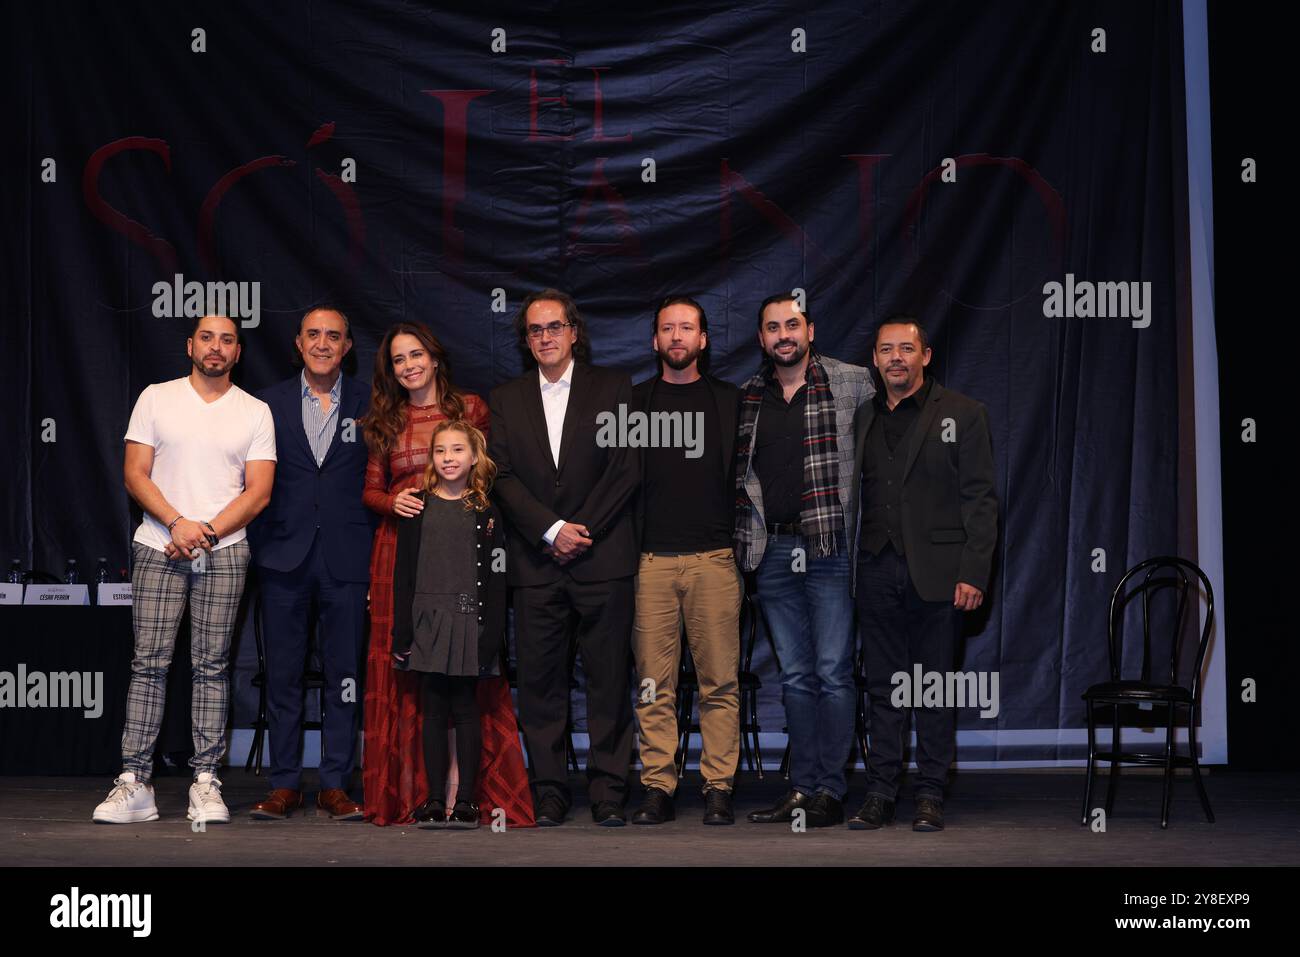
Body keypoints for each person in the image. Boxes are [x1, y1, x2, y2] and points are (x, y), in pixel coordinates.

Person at [94, 314, 275, 824]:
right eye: (207, 338)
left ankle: (206, 781)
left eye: (227, 340)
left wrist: (204, 534)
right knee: (148, 664)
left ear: (238, 352)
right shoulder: (156, 396)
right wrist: (176, 524)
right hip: (158, 544)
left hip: (224, 549)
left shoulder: (255, 411)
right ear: (190, 345)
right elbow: (135, 472)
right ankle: (134, 782)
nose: (216, 348)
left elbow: (258, 491)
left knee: (212, 666)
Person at [360, 322, 532, 827]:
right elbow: (370, 491)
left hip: (462, 552)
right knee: (415, 674)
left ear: (435, 358)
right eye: (397, 359)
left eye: (416, 354)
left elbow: (491, 478)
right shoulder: (384, 422)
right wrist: (394, 501)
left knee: (466, 685)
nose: (409, 365)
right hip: (402, 552)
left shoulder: (470, 409)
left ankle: (467, 791)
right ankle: (416, 793)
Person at [488, 289, 641, 826]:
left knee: (608, 679)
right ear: (526, 341)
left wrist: (582, 531)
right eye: (535, 330)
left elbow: (626, 469)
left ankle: (608, 791)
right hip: (535, 563)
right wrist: (551, 531)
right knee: (539, 684)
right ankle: (549, 790)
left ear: (575, 332)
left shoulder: (615, 387)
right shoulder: (505, 399)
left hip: (603, 559)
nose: (546, 336)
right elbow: (500, 476)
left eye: (555, 326)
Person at [847, 318, 997, 832]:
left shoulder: (964, 413)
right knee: (884, 689)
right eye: (886, 349)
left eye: (906, 349)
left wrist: (974, 572)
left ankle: (930, 792)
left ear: (925, 356)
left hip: (940, 574)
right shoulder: (863, 416)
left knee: (932, 687)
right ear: (874, 358)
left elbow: (981, 500)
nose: (896, 358)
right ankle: (881, 791)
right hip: (874, 569)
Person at [737, 295, 874, 829]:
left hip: (830, 549)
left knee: (834, 673)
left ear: (810, 330)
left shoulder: (852, 382)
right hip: (771, 550)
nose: (783, 334)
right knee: (795, 676)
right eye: (772, 327)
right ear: (762, 339)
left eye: (791, 325)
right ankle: (802, 787)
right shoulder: (748, 396)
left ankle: (831, 791)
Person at [245, 307, 373, 821]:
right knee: (283, 676)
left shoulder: (371, 401)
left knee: (346, 676)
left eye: (334, 336)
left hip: (348, 557)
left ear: (347, 347)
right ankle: (284, 784)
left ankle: (336, 783)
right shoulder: (265, 404)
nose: (323, 343)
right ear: (298, 342)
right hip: (283, 556)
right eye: (314, 334)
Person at [629, 296, 743, 826]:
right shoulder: (633, 405)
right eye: (667, 328)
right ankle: (658, 786)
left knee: (719, 682)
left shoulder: (732, 401)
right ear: (655, 341)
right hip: (652, 563)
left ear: (703, 340)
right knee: (654, 684)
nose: (677, 336)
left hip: (714, 561)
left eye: (687, 328)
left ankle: (718, 786)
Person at [391, 420, 507, 830]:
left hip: (468, 621)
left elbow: (497, 577)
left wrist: (490, 634)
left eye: (457, 451)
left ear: (474, 457)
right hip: (426, 620)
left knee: (466, 708)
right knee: (433, 710)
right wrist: (402, 632)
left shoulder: (486, 511)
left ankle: (468, 802)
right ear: (431, 458)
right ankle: (435, 800)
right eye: (440, 451)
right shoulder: (416, 508)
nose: (448, 459)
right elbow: (403, 574)